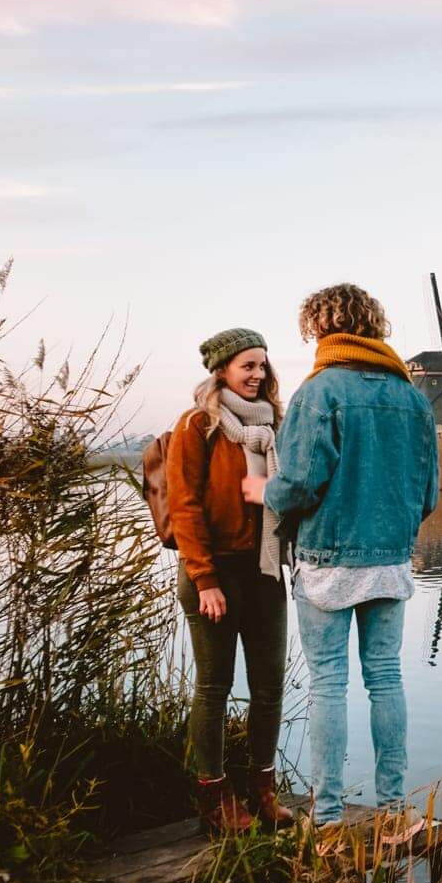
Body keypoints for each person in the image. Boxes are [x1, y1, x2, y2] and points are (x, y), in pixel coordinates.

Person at [246, 284, 439, 836]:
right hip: (390, 561)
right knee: (386, 678)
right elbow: (427, 495)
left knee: (329, 684)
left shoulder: (319, 391)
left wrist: (265, 492)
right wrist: (392, 533)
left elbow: (300, 482)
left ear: (321, 329)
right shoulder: (413, 398)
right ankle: (396, 813)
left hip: (329, 559)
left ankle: (327, 819)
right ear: (374, 327)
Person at [165, 328, 295, 834]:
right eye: (248, 366)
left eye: (263, 366)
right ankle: (214, 799)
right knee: (214, 687)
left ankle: (262, 792)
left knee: (269, 689)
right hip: (214, 575)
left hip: (264, 572)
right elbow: (185, 507)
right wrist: (204, 580)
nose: (258, 375)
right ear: (222, 371)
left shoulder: (274, 427)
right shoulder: (198, 425)